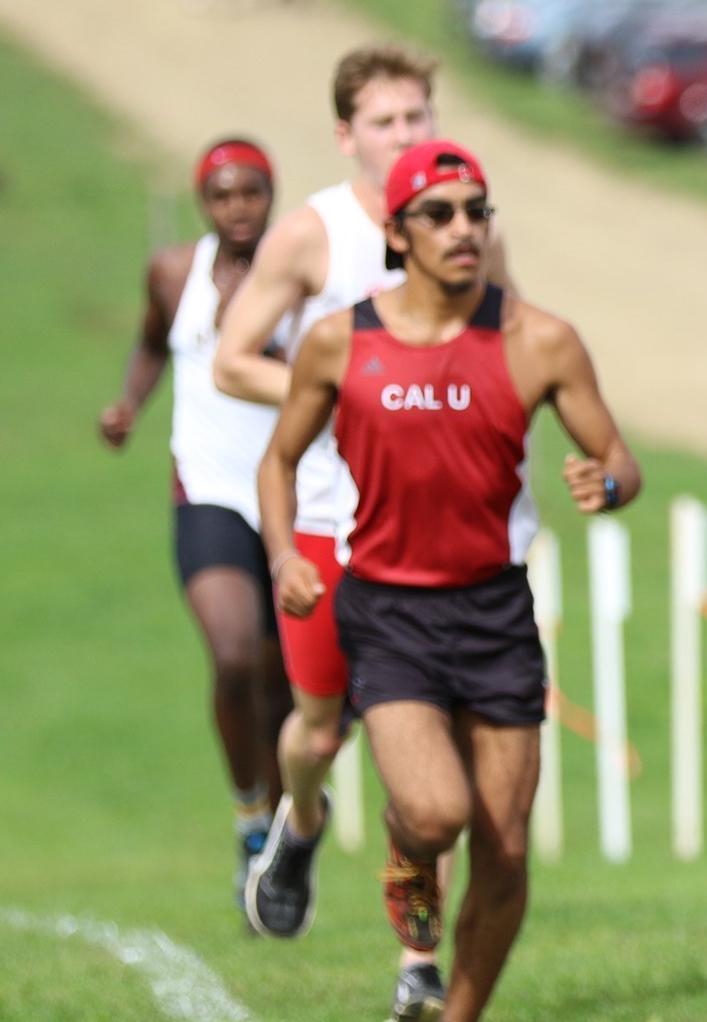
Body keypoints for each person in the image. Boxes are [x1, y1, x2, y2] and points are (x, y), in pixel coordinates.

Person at [259, 139, 641, 1022]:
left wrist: (609, 485)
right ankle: (407, 852)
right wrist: (283, 555)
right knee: (435, 814)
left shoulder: (539, 338)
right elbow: (277, 462)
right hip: (388, 611)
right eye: (438, 214)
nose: (463, 228)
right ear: (397, 234)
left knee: (505, 852)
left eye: (477, 210)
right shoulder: (338, 341)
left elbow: (620, 459)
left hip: (496, 612)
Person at [216, 43, 510, 1019]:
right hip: (329, 526)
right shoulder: (311, 235)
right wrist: (343, 391)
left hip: (443, 543)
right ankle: (300, 822)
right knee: (315, 730)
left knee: (435, 763)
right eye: (385, 122)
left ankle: (417, 959)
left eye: (418, 117)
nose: (404, 135)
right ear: (347, 135)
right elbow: (230, 359)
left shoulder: (466, 227)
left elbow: (510, 349)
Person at [98, 137, 292, 913]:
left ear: (272, 195)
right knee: (233, 658)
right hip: (207, 488)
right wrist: (128, 405)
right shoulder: (173, 273)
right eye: (222, 194)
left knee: (283, 688)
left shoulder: (302, 274)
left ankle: (284, 842)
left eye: (252, 192)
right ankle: (250, 817)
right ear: (202, 202)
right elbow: (152, 344)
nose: (238, 207)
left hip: (293, 497)